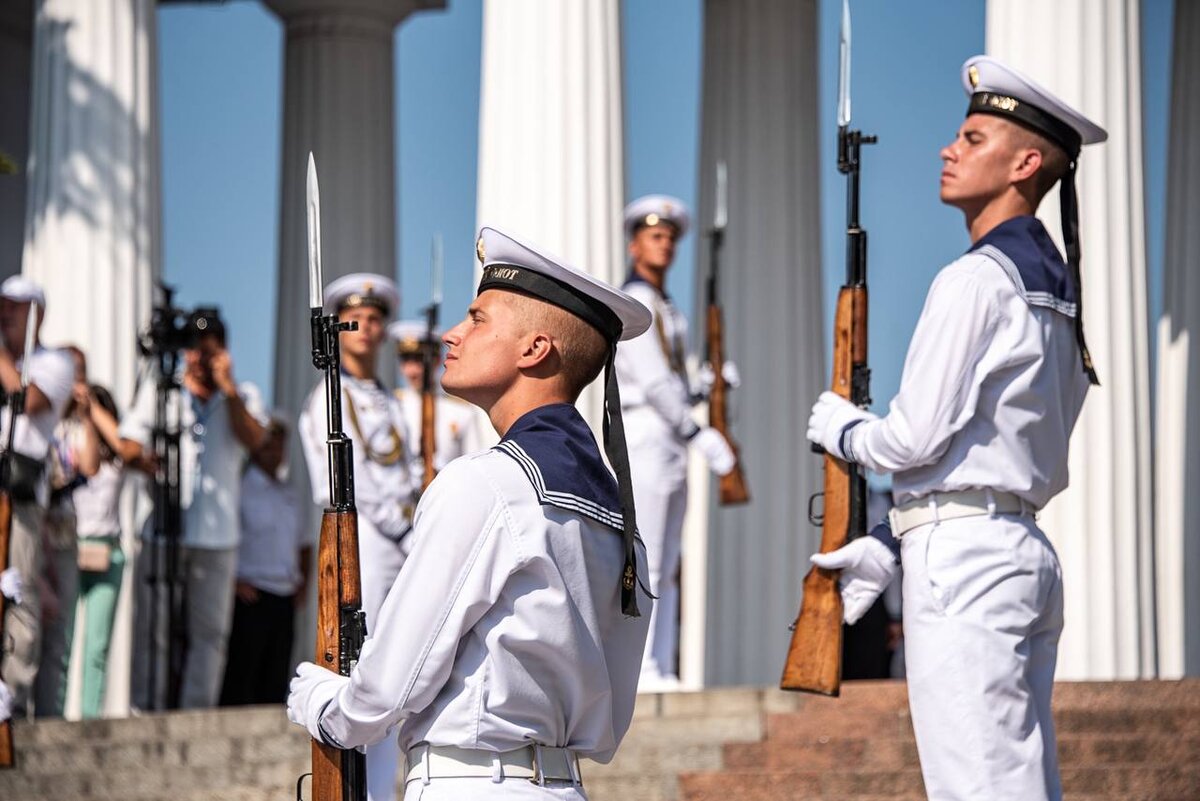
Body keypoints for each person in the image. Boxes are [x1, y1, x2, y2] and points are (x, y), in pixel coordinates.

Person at [805, 56, 1105, 801]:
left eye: (973, 138)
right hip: (1019, 551)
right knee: (1018, 781)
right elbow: (994, 450)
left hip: (967, 562)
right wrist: (889, 539)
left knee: (978, 786)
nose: (948, 148)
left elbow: (912, 440)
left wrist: (842, 428)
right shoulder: (1058, 291)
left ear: (1025, 163)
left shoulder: (974, 280)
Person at [286, 226, 653, 801]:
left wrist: (325, 707)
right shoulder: (615, 513)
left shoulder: (487, 484)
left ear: (535, 349)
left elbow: (387, 692)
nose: (453, 335)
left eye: (478, 319)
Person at [297, 273, 419, 801]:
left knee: (400, 659)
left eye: (376, 321)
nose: (367, 329)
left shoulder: (390, 401)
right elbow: (340, 483)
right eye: (358, 320)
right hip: (367, 537)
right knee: (364, 660)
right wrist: (398, 524)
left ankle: (386, 785)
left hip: (402, 538)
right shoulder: (326, 400)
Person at [614, 195, 737, 691]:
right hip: (648, 432)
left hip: (667, 436)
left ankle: (658, 663)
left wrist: (708, 385)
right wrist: (696, 430)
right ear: (634, 243)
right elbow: (655, 381)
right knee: (649, 554)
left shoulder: (666, 305)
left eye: (669, 238)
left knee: (668, 561)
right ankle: (641, 667)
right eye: (654, 236)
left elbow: (675, 381)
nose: (664, 245)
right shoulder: (635, 301)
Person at [120, 309, 268, 709]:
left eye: (209, 349)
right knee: (155, 627)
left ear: (224, 350)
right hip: (164, 529)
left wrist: (228, 388)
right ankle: (145, 709)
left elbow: (256, 441)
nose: (199, 358)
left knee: (210, 633)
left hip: (218, 536)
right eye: (193, 350)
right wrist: (145, 460)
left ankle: (196, 713)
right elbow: (128, 444)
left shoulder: (244, 395)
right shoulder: (162, 390)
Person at [0, 276, 75, 719]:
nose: (6, 313)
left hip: (21, 495)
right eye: (3, 305)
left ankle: (14, 700)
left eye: (16, 307)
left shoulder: (54, 361)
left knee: (20, 593)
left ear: (37, 313)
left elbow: (25, 400)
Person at [220, 417, 311, 706]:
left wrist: (304, 583)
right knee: (243, 676)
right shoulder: (240, 488)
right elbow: (227, 537)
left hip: (284, 594)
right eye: (268, 445)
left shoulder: (290, 493)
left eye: (279, 446)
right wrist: (232, 580)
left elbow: (304, 543)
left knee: (276, 676)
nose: (274, 452)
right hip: (251, 594)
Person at [35, 345, 101, 716]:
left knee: (60, 632)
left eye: (82, 372)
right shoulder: (45, 418)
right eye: (71, 371)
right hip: (35, 527)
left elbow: (90, 466)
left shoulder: (76, 425)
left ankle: (50, 715)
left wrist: (88, 416)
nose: (76, 379)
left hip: (63, 534)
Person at [68, 383, 128, 719]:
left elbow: (121, 440)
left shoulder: (119, 456)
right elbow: (85, 465)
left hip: (108, 550)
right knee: (63, 640)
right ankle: (55, 713)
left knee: (97, 644)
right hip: (72, 545)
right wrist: (85, 420)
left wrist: (93, 409)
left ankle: (89, 718)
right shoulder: (72, 440)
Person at [387, 319, 483, 473]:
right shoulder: (391, 406)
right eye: (406, 360)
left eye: (419, 360)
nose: (412, 371)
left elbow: (474, 467)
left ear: (437, 360)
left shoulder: (461, 411)